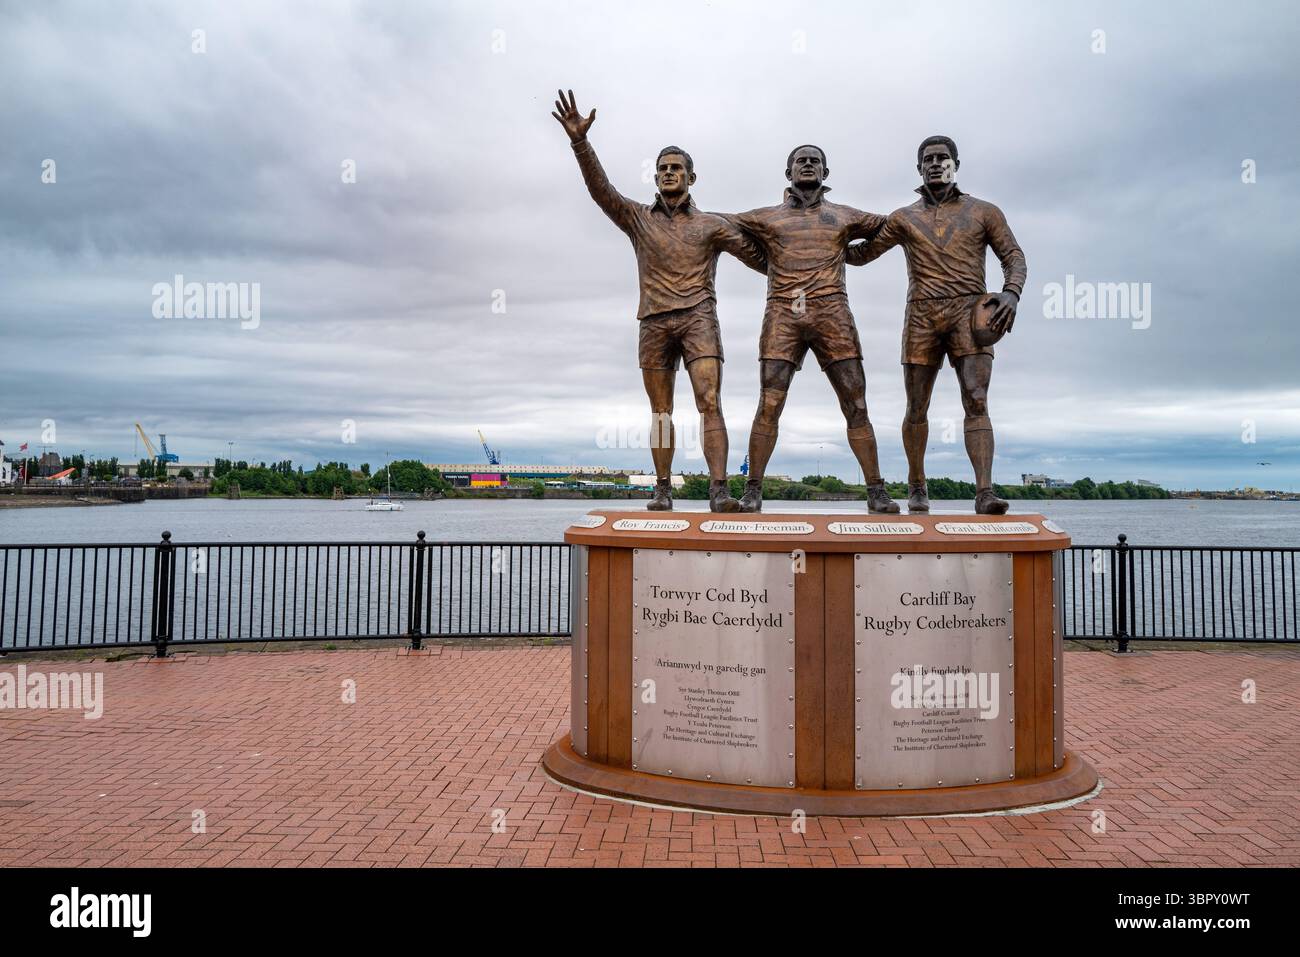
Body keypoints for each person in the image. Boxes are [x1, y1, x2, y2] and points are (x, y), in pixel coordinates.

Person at [552, 90, 766, 511]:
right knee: (661, 412)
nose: (669, 173)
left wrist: (803, 271)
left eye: (677, 168)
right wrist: (581, 142)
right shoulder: (637, 219)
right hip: (653, 322)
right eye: (663, 169)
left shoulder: (712, 225)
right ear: (655, 178)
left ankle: (719, 490)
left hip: (699, 319)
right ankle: (663, 489)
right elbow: (601, 191)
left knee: (710, 403)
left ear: (691, 177)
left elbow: (760, 258)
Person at [847, 135, 1025, 514]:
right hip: (922, 316)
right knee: (916, 406)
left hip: (969, 312)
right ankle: (917, 484)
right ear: (919, 168)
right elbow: (863, 255)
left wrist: (1011, 294)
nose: (935, 163)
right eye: (927, 159)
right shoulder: (904, 218)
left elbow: (1014, 257)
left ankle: (984, 491)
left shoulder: (984, 211)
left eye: (943, 157)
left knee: (976, 399)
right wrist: (817, 241)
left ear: (955, 164)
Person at [730, 145, 897, 514]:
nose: (807, 164)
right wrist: (766, 263)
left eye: (814, 160)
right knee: (769, 402)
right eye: (800, 160)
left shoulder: (844, 216)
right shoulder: (766, 218)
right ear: (788, 172)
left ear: (826, 171)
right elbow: (717, 226)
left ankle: (876, 490)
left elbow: (895, 226)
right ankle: (752, 489)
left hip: (833, 315)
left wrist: (856, 255)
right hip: (783, 314)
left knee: (856, 402)